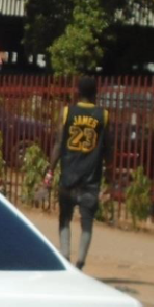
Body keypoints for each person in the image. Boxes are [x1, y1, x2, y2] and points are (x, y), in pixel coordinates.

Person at [45, 75, 112, 271]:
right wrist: (110, 174)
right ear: (95, 93)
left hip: (69, 176)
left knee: (64, 217)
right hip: (91, 179)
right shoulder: (103, 115)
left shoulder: (67, 112)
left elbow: (59, 144)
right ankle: (80, 261)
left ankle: (65, 255)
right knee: (87, 222)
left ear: (78, 92)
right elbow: (108, 148)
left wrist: (50, 170)